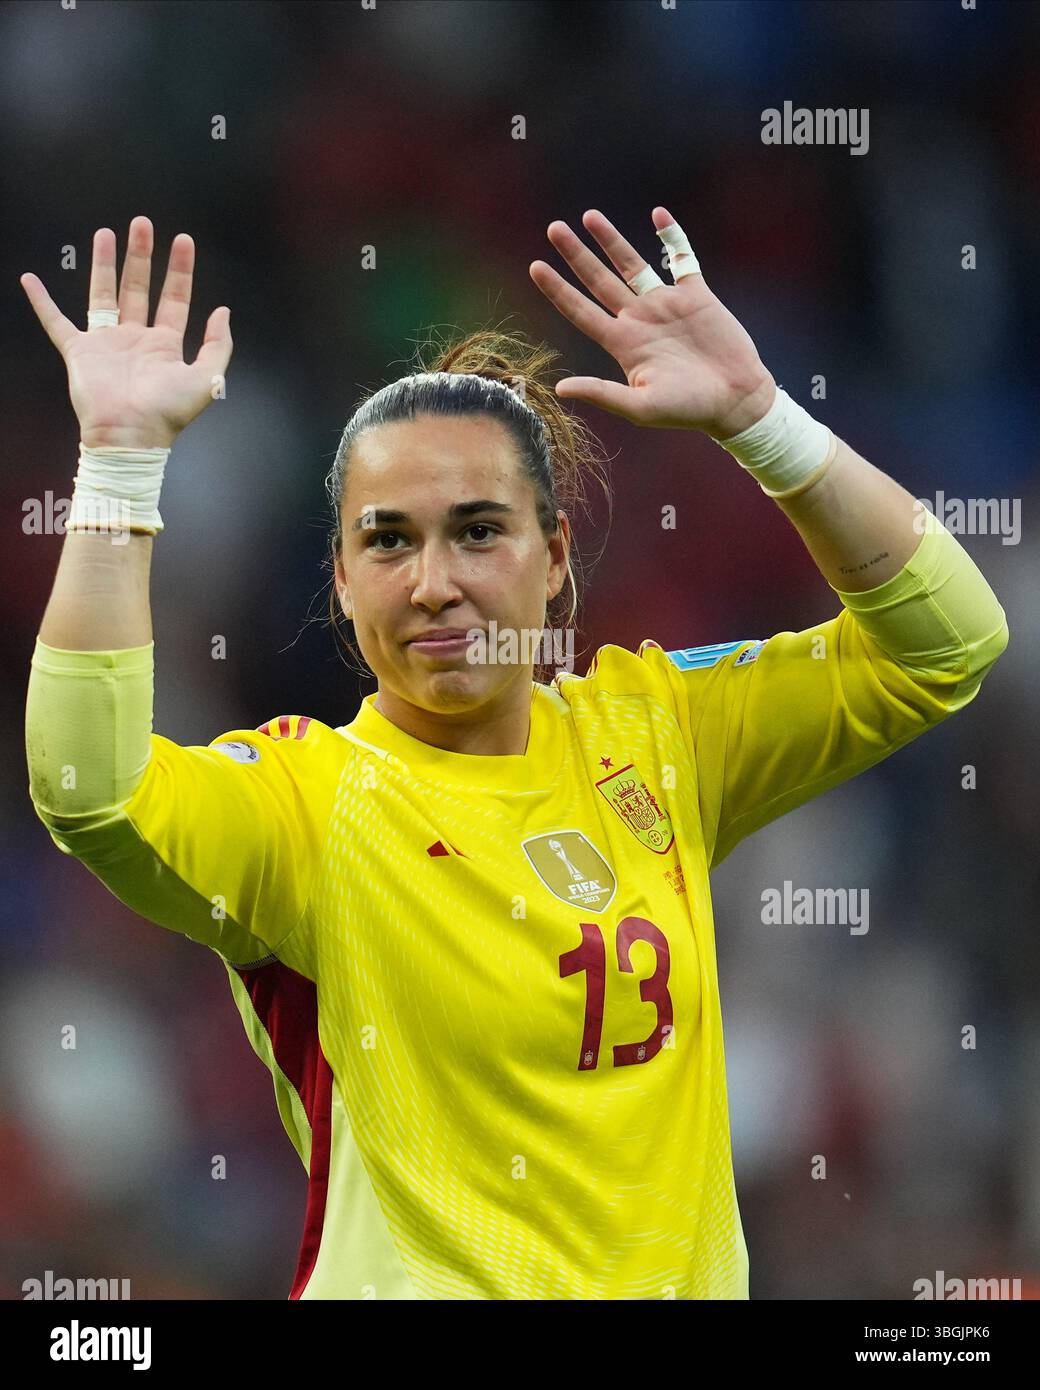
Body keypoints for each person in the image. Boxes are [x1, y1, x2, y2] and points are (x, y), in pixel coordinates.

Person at [22, 210, 1008, 1300]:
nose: (434, 581)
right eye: (387, 539)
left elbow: (947, 643)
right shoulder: (312, 805)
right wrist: (116, 467)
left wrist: (759, 420)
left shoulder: (655, 729)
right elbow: (87, 792)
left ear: (554, 557)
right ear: (342, 583)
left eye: (479, 530)